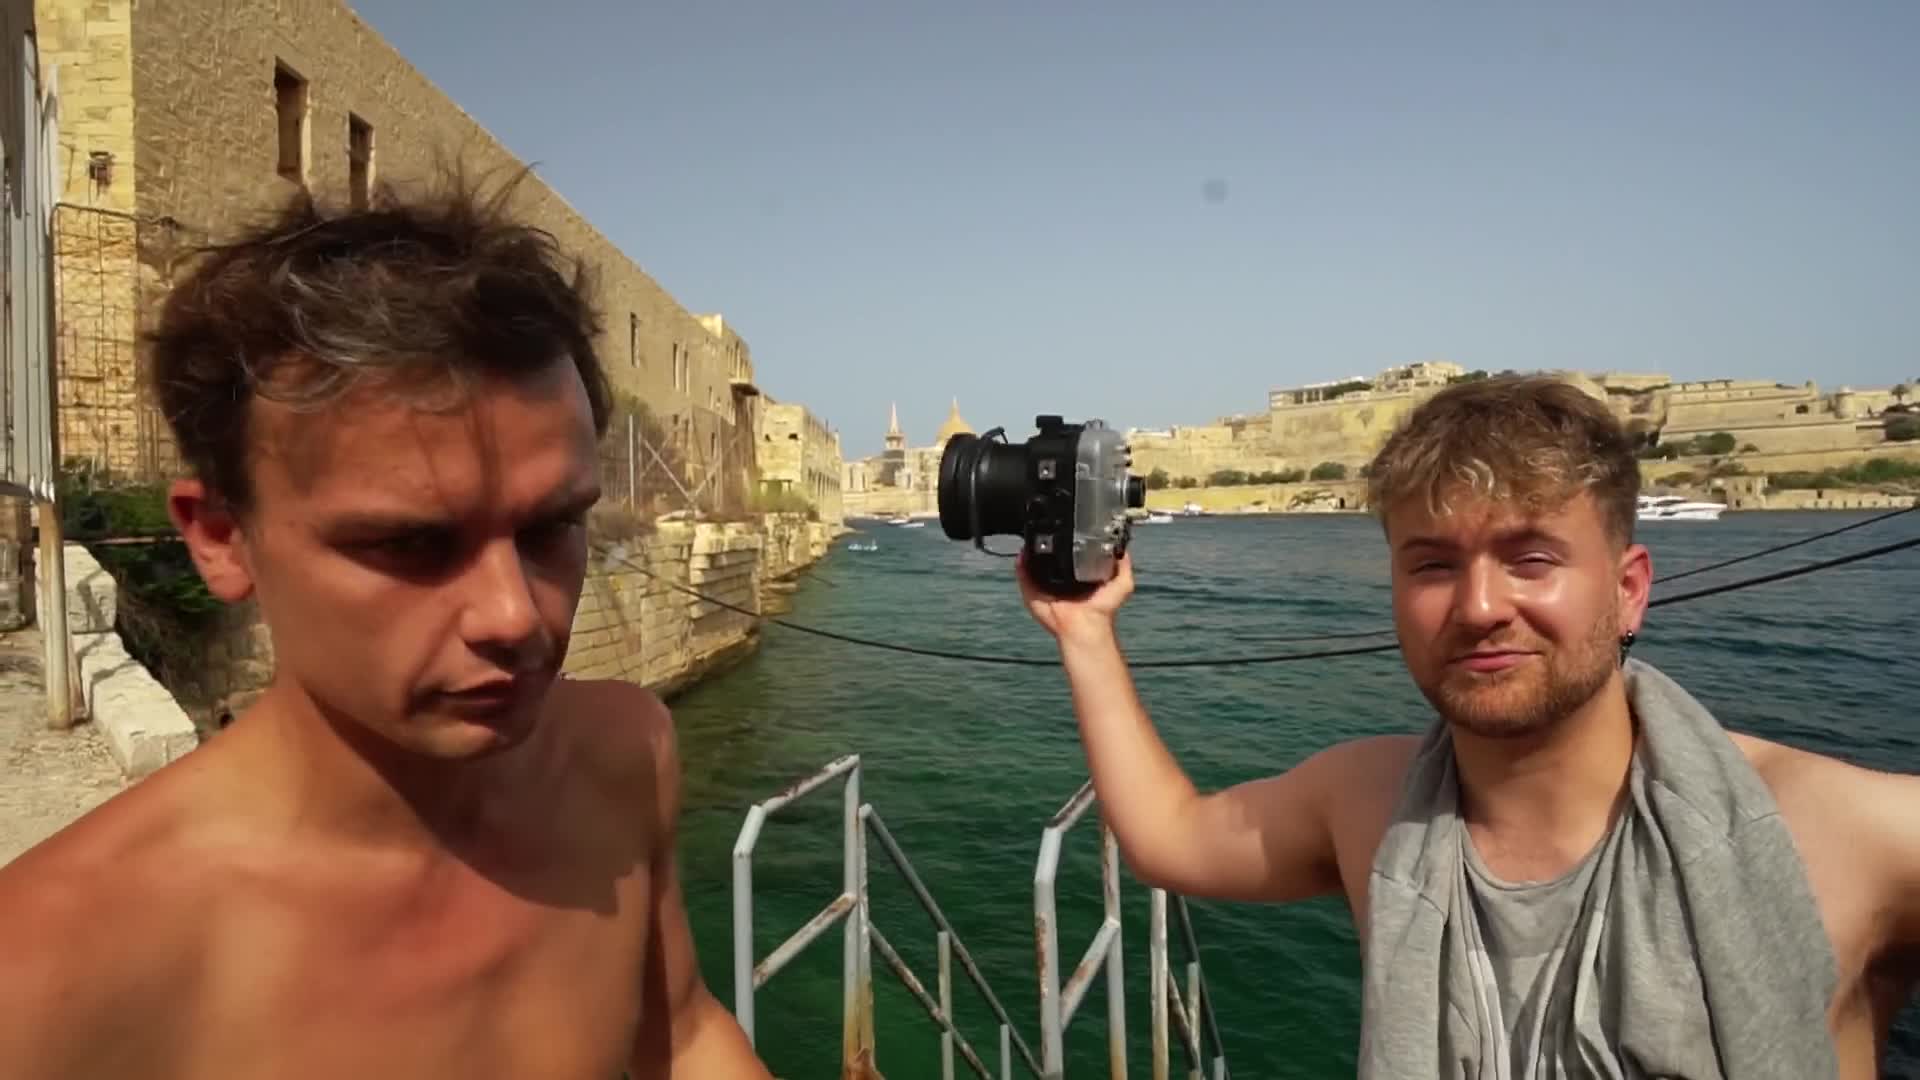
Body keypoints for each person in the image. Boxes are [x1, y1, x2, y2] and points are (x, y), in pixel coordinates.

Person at [0, 174, 773, 1079]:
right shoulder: (51, 973)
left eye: (552, 526)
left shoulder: (623, 754)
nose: (515, 615)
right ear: (221, 539)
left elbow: (676, 1033)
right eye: (411, 543)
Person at [1019, 375, 1920, 1079]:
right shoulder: (1368, 806)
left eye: (1531, 558)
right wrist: (1086, 632)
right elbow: (1170, 839)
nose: (1481, 607)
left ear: (1630, 587)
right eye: (1433, 565)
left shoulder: (1843, 835)